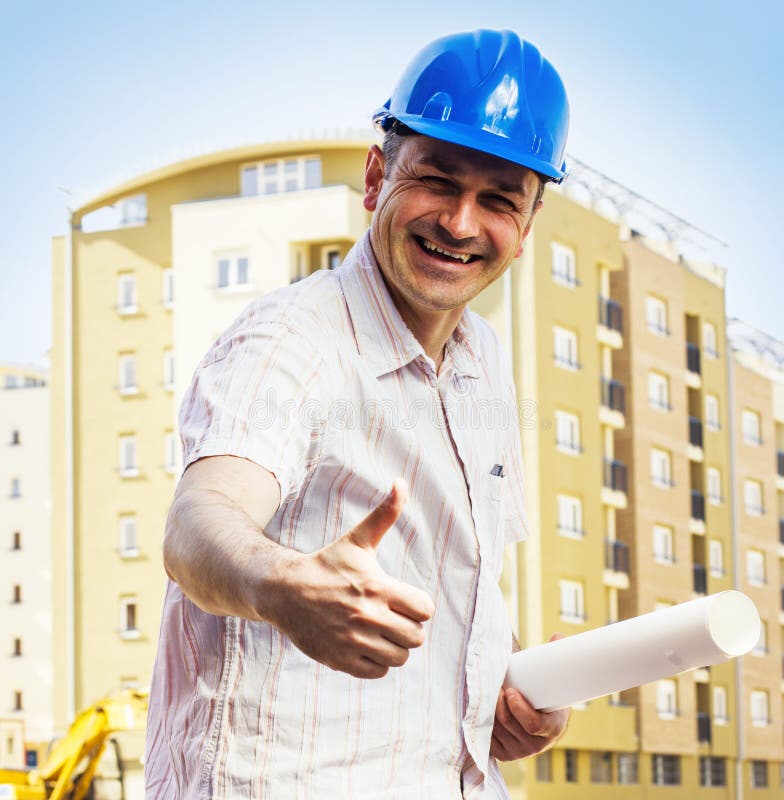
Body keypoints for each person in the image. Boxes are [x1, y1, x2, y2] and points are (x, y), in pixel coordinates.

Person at [145, 28, 571, 799]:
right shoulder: (290, 340)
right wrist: (283, 585)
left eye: (499, 200)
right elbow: (197, 521)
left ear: (525, 231)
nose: (462, 223)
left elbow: (459, 591)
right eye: (438, 181)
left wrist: (502, 693)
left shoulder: (486, 365)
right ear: (377, 177)